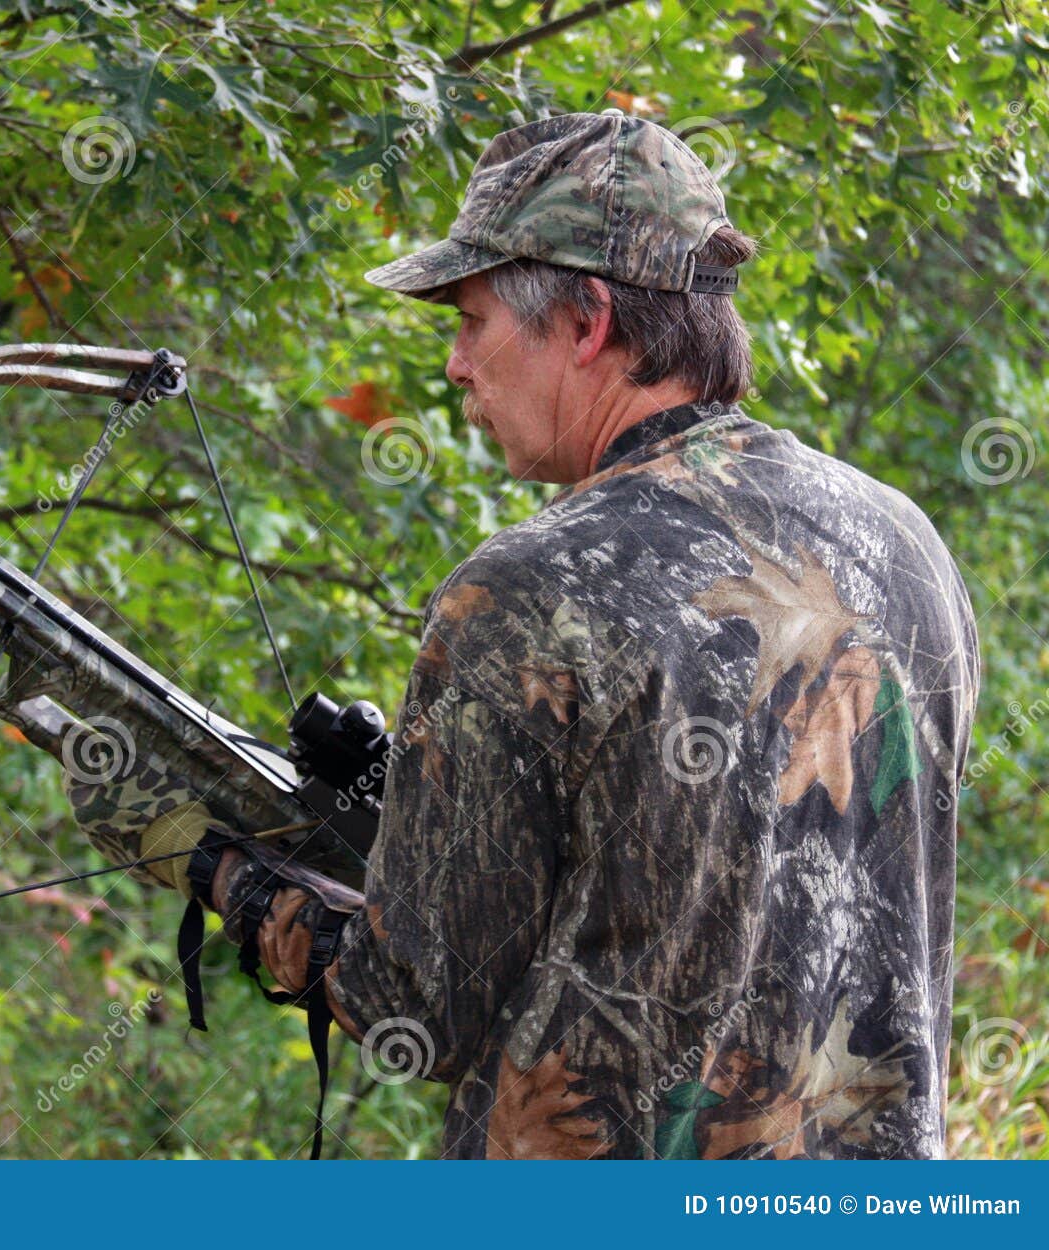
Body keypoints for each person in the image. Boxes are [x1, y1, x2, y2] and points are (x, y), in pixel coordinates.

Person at [65, 111, 979, 1159]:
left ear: (587, 318)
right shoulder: (903, 544)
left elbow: (417, 1008)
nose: (455, 367)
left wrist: (205, 859)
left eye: (469, 318)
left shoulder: (527, 588)